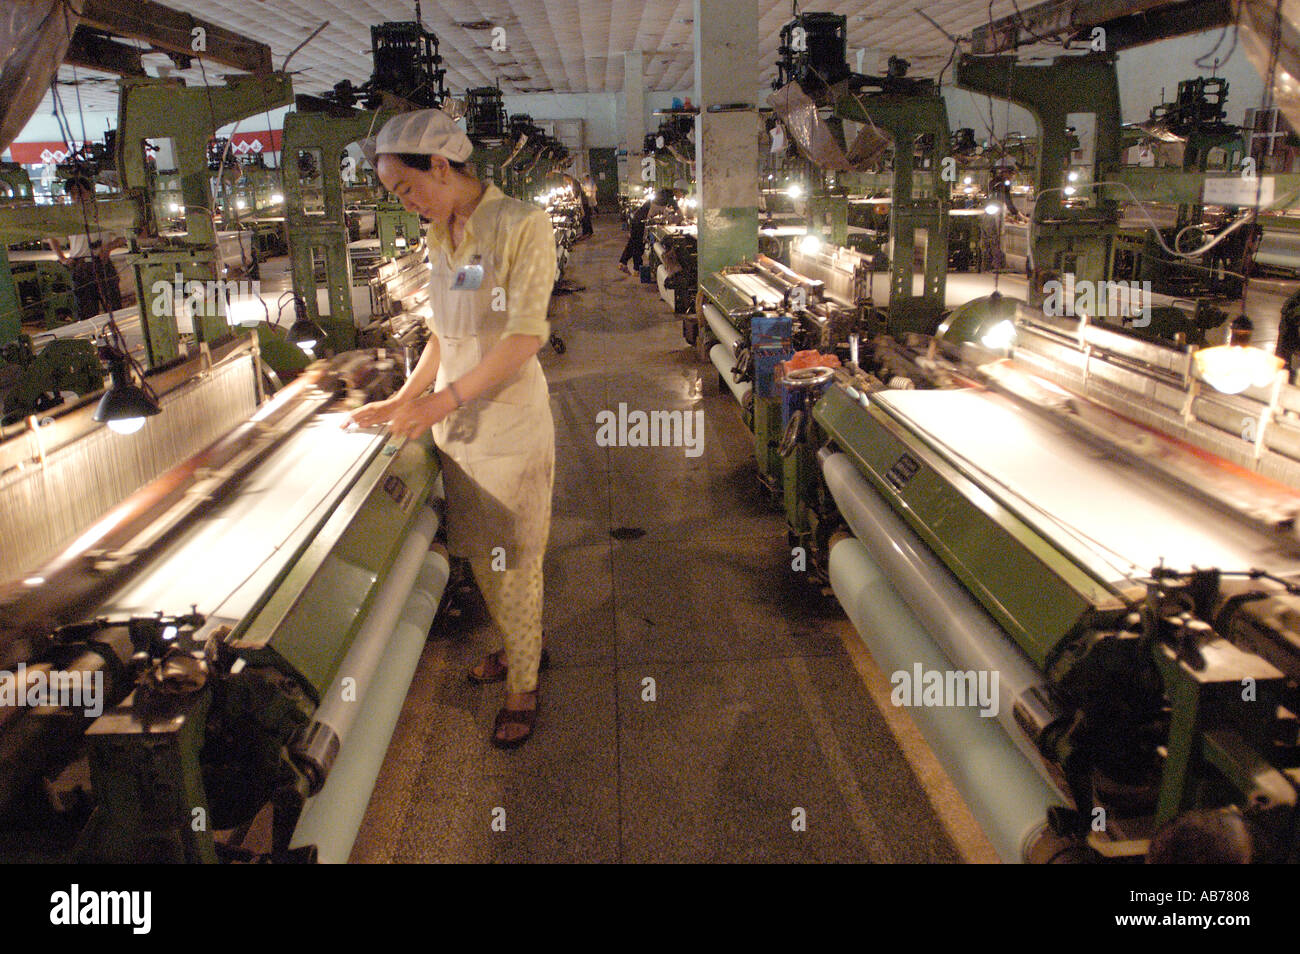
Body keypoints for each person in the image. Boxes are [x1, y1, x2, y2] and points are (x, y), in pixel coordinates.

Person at [348, 109, 556, 749]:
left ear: (440, 166)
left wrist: (440, 405)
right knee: (489, 563)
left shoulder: (521, 226)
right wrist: (404, 399)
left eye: (408, 189)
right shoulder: (447, 236)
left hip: (508, 429)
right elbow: (451, 332)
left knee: (515, 562)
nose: (406, 204)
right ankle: (520, 647)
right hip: (459, 429)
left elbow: (522, 337)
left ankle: (524, 684)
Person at [47, 175, 126, 322]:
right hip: (81, 267)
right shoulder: (68, 217)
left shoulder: (102, 213)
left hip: (102, 265)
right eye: (72, 194)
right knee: (87, 313)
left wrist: (108, 247)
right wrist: (63, 259)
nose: (76, 197)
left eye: (80, 192)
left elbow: (123, 236)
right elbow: (52, 238)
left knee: (114, 309)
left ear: (90, 192)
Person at [618, 185, 684, 275]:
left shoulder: (664, 194)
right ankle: (637, 269)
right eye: (682, 193)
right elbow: (679, 213)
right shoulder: (669, 197)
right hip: (640, 220)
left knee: (633, 242)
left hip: (638, 218)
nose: (682, 196)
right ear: (678, 190)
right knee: (638, 245)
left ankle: (623, 263)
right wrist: (682, 219)